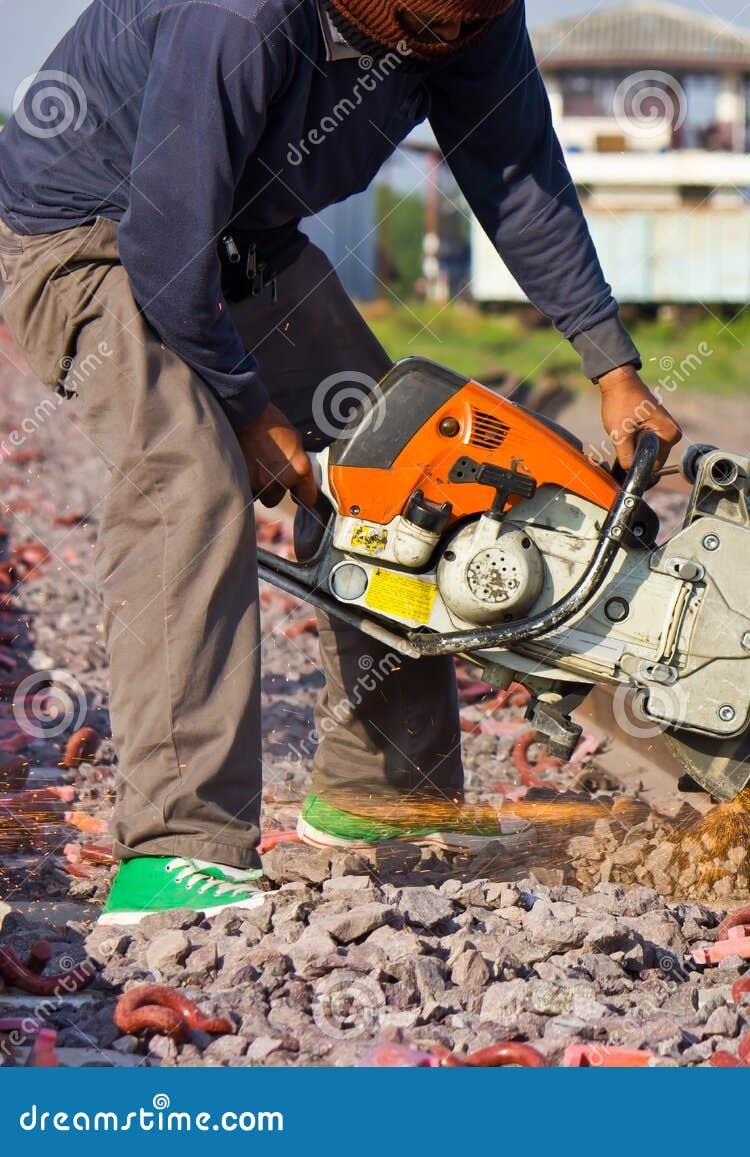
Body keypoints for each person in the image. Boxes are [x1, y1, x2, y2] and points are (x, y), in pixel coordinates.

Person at [0, 0, 683, 924]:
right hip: (90, 237)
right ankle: (175, 849)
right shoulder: (239, 16)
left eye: (459, 36)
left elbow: (515, 173)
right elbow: (163, 249)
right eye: (423, 36)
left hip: (246, 243)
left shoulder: (472, 15)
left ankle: (383, 796)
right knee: (188, 484)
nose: (441, 52)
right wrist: (249, 413)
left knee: (402, 460)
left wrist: (611, 363)